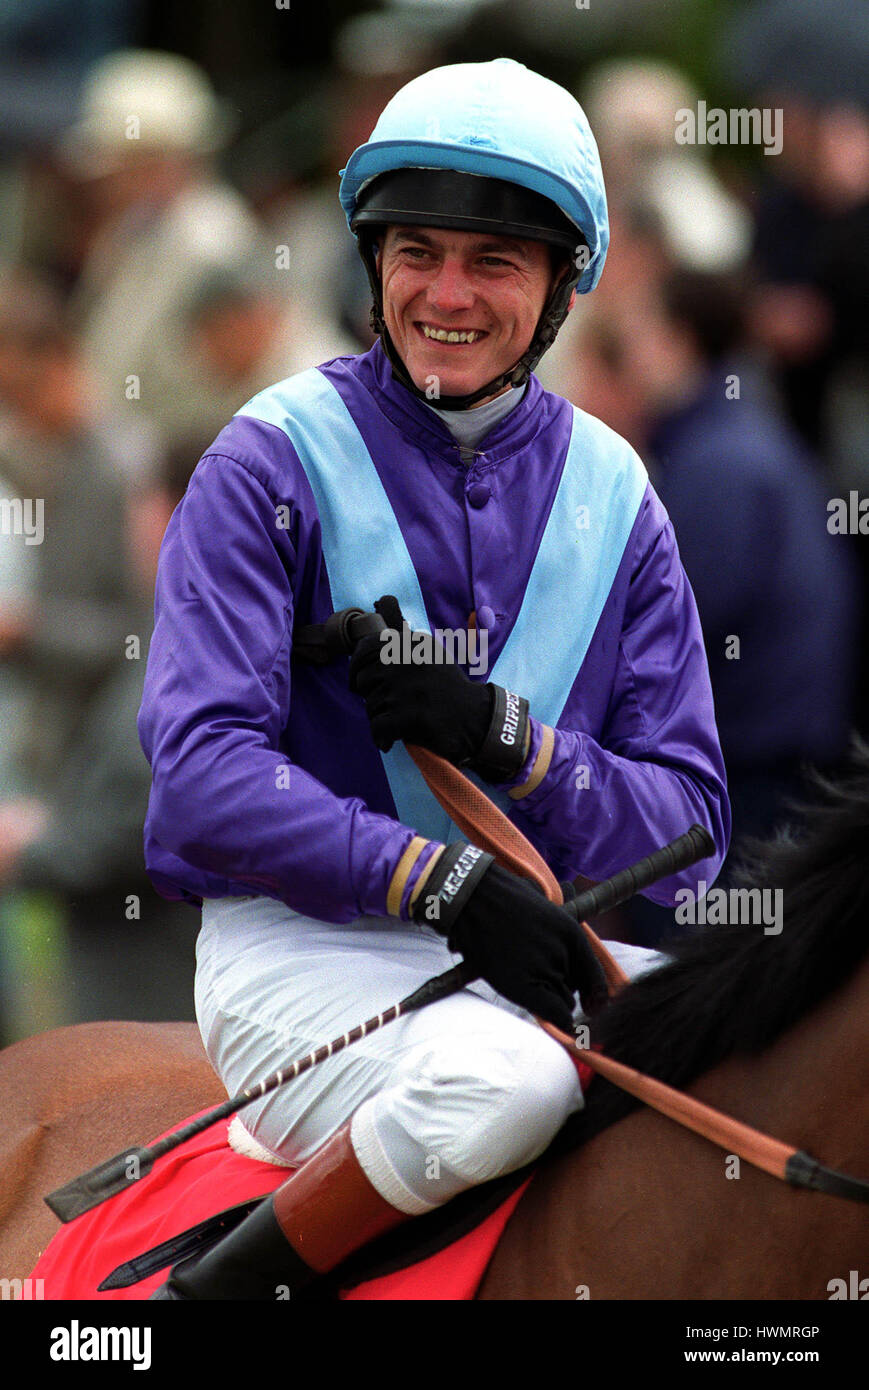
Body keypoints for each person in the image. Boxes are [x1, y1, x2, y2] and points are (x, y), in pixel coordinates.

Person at [138, 59, 729, 1300]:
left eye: (493, 262)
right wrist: (433, 873)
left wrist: (514, 743)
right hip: (300, 951)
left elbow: (693, 833)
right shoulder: (264, 464)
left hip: (543, 951)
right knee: (498, 1083)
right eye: (417, 252)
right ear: (372, 260)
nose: (444, 294)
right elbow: (197, 781)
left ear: (566, 285)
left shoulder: (618, 495)